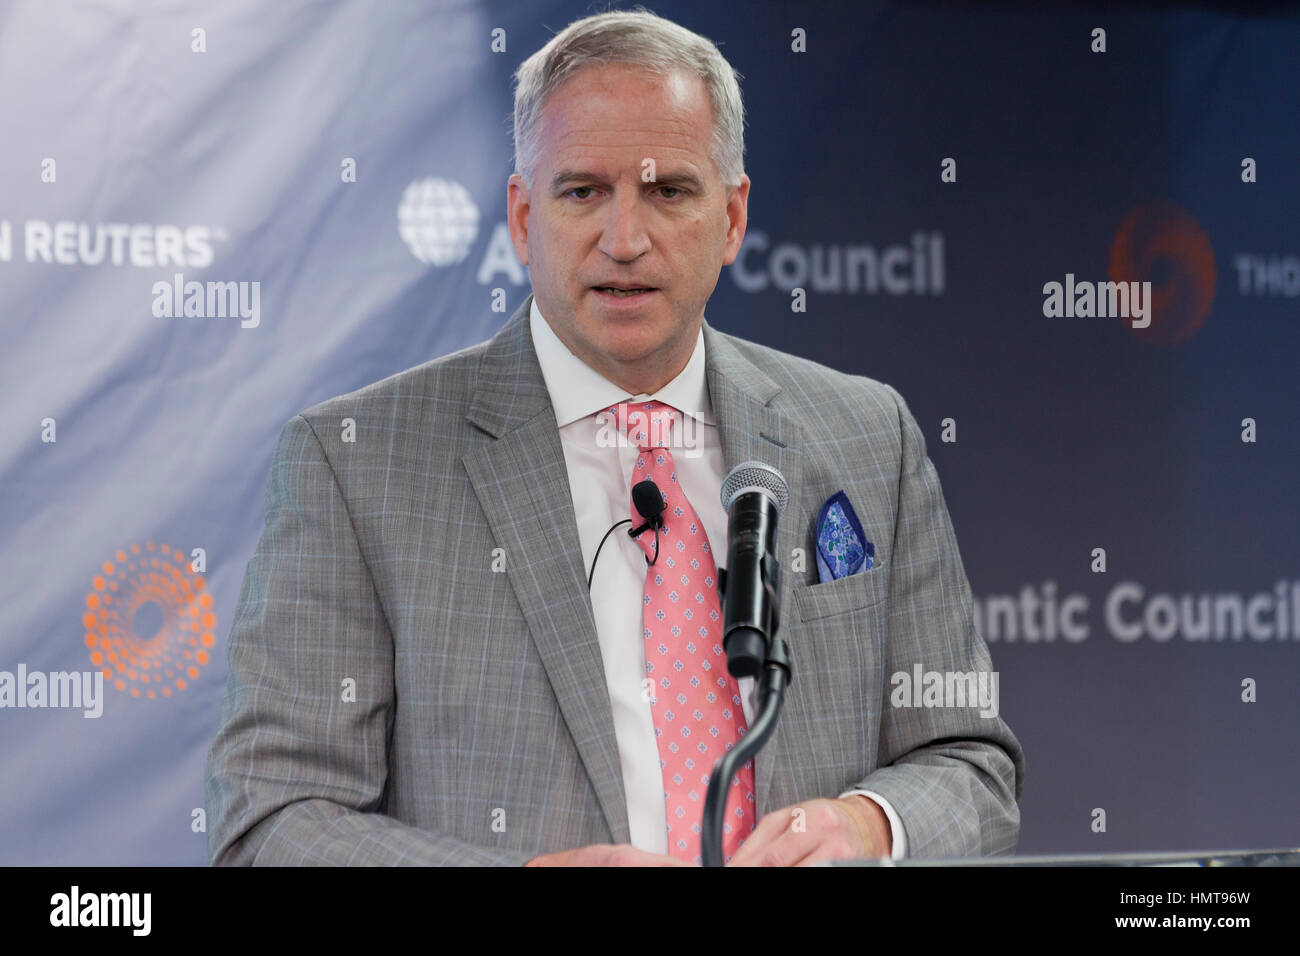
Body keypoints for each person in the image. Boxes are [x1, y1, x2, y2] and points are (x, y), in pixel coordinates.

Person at [205, 9, 1024, 867]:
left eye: (669, 191)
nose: (625, 240)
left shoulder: (867, 436)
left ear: (734, 218)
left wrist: (868, 825)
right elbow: (273, 821)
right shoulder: (355, 463)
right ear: (523, 219)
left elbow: (970, 761)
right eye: (583, 191)